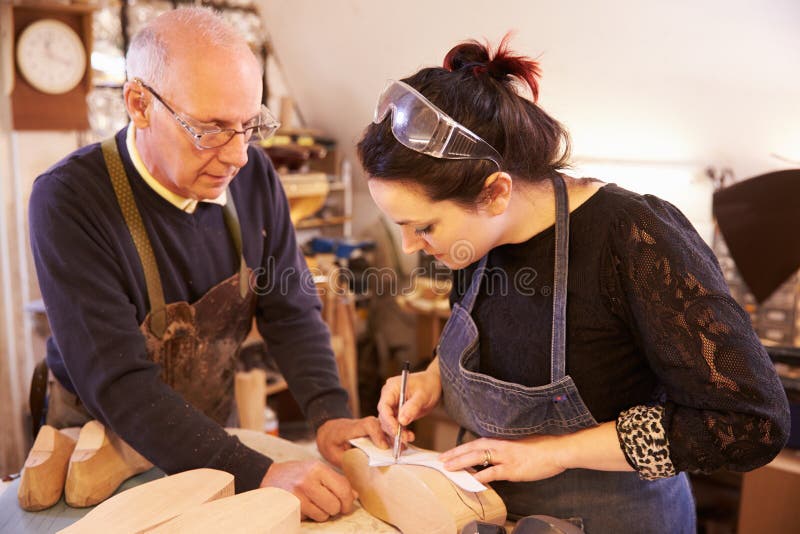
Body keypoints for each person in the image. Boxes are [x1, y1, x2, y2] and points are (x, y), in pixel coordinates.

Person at [358, 36, 790, 532]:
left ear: (496, 192)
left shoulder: (634, 238)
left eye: (425, 226)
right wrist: (434, 378)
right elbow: (499, 333)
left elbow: (751, 422)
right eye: (403, 228)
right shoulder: (474, 238)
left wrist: (559, 452)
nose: (412, 246)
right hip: (487, 513)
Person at [28, 7, 384, 522]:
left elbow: (289, 310)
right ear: (139, 104)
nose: (238, 154)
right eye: (212, 129)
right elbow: (117, 380)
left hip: (210, 432)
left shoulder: (253, 174)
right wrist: (255, 472)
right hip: (99, 435)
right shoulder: (69, 199)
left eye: (249, 125)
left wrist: (329, 414)